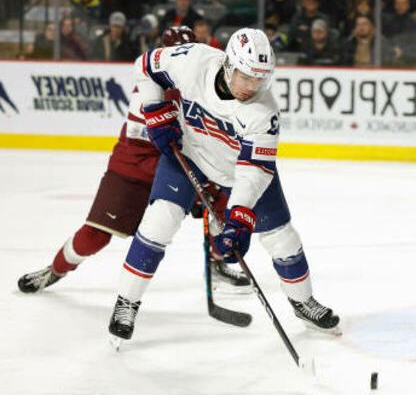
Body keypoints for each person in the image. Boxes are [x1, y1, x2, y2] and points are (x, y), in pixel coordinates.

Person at [106, 27, 340, 342]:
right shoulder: (193, 60)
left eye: (260, 79)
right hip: (188, 155)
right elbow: (145, 66)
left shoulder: (264, 112)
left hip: (238, 170)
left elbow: (253, 171)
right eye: (245, 77)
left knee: (282, 238)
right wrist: (154, 109)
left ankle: (302, 302)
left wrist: (238, 219)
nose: (252, 86)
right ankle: (127, 301)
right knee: (158, 222)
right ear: (228, 65)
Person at [17, 27, 245, 294]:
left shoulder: (199, 80)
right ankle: (54, 270)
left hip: (176, 163)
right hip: (134, 167)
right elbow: (147, 141)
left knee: (219, 201)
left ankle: (217, 263)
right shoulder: (149, 86)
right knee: (96, 236)